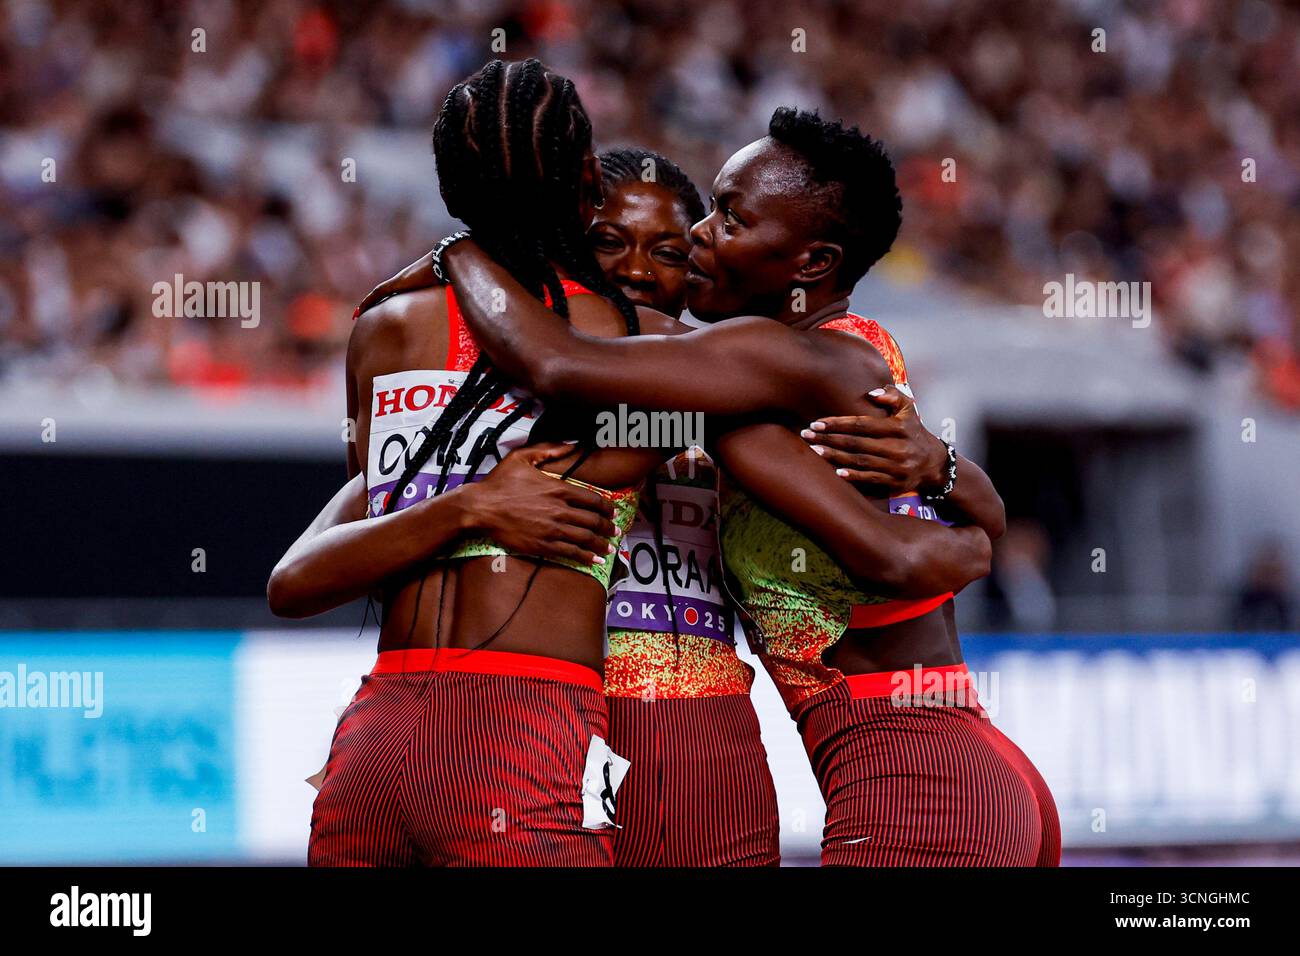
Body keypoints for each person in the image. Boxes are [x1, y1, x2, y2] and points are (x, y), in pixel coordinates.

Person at [275, 62, 993, 867]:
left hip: (687, 728)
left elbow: (553, 364)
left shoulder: (713, 368)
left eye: (670, 250)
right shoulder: (638, 362)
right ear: (580, 212)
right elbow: (329, 552)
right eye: (612, 241)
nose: (643, 269)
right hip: (552, 721)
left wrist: (957, 490)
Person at [441, 106, 1060, 866]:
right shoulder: (839, 355)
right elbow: (969, 520)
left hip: (914, 783)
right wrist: (954, 485)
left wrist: (463, 249)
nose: (701, 235)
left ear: (809, 264)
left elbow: (556, 363)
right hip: (956, 763)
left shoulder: (779, 358)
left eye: (730, 220)